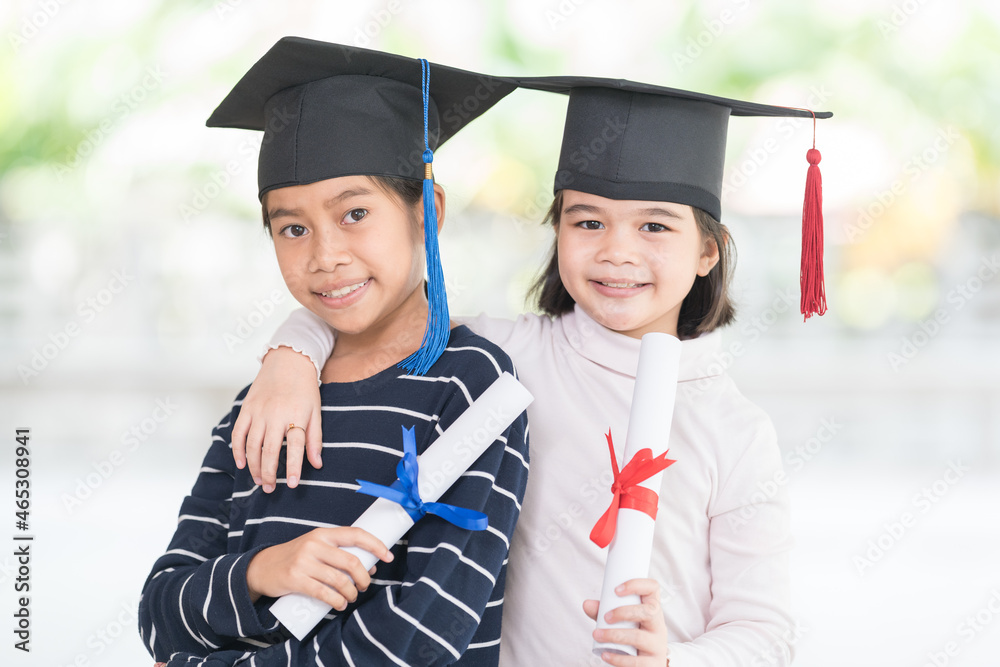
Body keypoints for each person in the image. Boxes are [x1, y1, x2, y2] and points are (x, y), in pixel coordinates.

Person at [232, 74, 831, 666]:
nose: (616, 251)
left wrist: (673, 659)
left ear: (707, 250)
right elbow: (368, 313)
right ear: (557, 232)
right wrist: (291, 356)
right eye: (587, 222)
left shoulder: (735, 430)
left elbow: (764, 632)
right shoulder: (500, 358)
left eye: (654, 226)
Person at [138, 37, 529, 667]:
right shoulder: (262, 408)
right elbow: (160, 615)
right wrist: (263, 570)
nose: (325, 256)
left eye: (354, 214)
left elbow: (417, 637)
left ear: (427, 212)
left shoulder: (470, 384)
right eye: (293, 228)